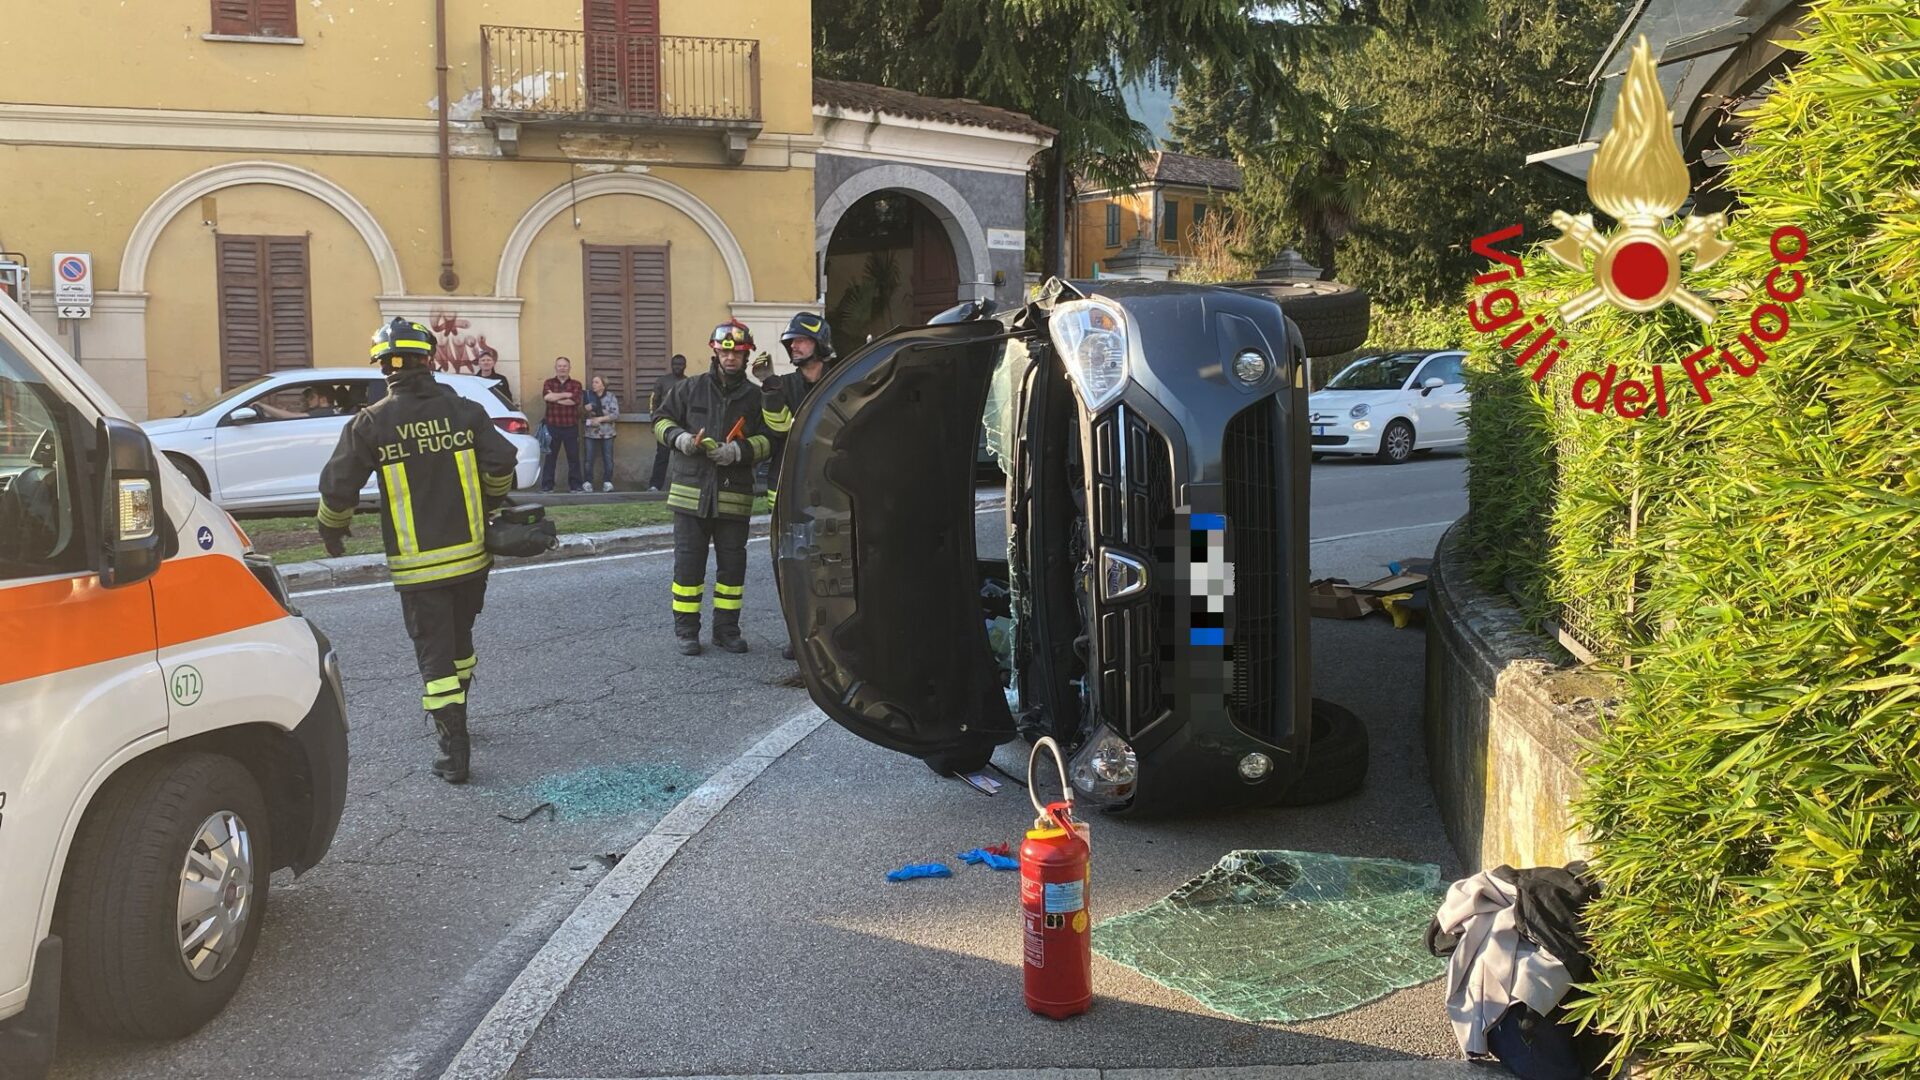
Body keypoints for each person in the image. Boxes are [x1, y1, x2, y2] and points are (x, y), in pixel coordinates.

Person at [315, 318, 518, 784]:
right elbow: (502, 461)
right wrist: (491, 497)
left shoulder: (370, 423)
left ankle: (454, 749)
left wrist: (334, 531)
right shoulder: (464, 411)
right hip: (471, 559)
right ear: (429, 360)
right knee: (460, 643)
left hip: (418, 567)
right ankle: (460, 715)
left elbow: (336, 487)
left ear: (384, 366)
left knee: (435, 656)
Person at [653, 320, 772, 655]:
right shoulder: (690, 388)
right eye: (724, 351)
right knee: (688, 566)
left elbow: (771, 440)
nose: (730, 358)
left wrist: (738, 451)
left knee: (732, 569)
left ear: (746, 356)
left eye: (737, 353)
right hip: (690, 495)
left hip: (734, 496)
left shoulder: (754, 397)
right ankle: (687, 632)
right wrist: (682, 439)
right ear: (715, 351)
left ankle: (727, 631)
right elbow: (660, 420)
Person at [753, 312, 837, 660]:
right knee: (792, 566)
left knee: (831, 563)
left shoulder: (841, 380)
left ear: (820, 343)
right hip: (787, 489)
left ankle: (831, 634)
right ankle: (798, 635)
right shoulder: (783, 386)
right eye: (791, 342)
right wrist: (770, 388)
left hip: (830, 488)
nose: (794, 346)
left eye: (801, 341)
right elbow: (779, 431)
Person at [539, 356, 586, 493]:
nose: (562, 368)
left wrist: (555, 398)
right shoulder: (548, 382)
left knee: (574, 458)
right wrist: (566, 394)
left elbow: (575, 401)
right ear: (556, 368)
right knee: (550, 458)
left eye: (565, 366)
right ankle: (547, 486)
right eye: (559, 366)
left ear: (569, 368)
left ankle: (576, 485)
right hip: (552, 425)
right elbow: (547, 397)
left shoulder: (576, 384)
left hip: (571, 425)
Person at [648, 353, 688, 491]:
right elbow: (654, 401)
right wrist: (654, 421)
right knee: (662, 457)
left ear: (685, 366)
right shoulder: (662, 381)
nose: (678, 367)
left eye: (681, 364)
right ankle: (655, 485)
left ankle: (681, 486)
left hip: (683, 426)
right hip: (664, 424)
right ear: (671, 366)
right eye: (675, 364)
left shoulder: (689, 382)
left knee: (682, 458)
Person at [582, 373, 620, 492]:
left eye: (597, 382)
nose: (593, 384)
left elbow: (615, 415)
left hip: (607, 433)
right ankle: (588, 482)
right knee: (589, 458)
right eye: (593, 382)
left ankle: (607, 482)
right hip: (590, 432)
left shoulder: (611, 397)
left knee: (608, 458)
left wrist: (600, 419)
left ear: (603, 385)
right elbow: (581, 416)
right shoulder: (588, 396)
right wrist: (585, 411)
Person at [259, 386, 340, 420]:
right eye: (307, 396)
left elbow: (292, 417)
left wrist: (261, 405)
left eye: (311, 396)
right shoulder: (330, 411)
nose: (308, 399)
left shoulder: (324, 412)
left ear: (323, 400)